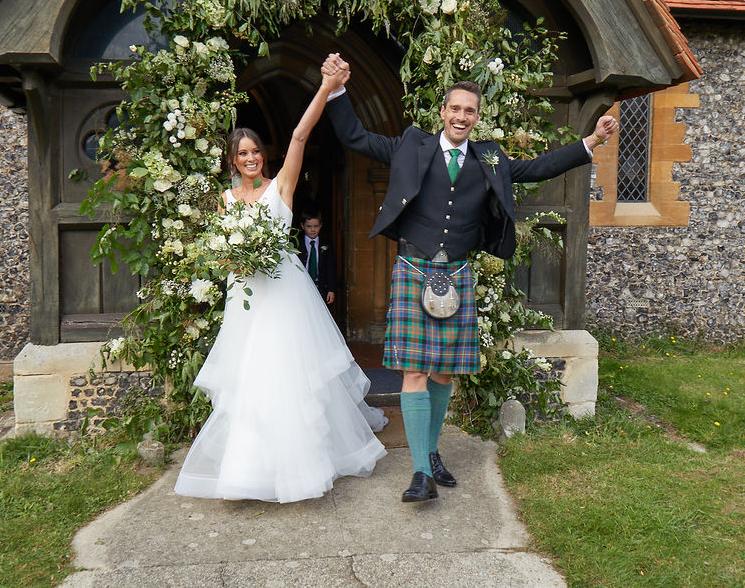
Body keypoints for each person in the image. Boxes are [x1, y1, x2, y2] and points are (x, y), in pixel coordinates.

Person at [321, 53, 618, 503]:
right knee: (415, 370)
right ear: (442, 112)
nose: (461, 116)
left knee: (444, 374)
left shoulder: (491, 160)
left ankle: (431, 450)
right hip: (414, 268)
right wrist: (338, 89)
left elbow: (538, 167)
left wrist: (590, 141)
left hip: (457, 272)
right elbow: (354, 135)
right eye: (454, 108)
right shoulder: (410, 145)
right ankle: (421, 473)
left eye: (470, 111)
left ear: (477, 118)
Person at [173, 65, 387, 504]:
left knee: (288, 373)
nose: (251, 159)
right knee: (251, 375)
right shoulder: (226, 200)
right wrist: (233, 257)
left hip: (285, 293)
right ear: (232, 161)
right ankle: (248, 470)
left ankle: (302, 467)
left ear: (263, 155)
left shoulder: (282, 186)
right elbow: (221, 251)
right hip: (246, 297)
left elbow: (299, 137)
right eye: (242, 154)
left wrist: (327, 88)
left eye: (255, 152)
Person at [297, 209, 337, 305]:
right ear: (302, 226)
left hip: (321, 286)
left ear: (321, 225)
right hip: (302, 286)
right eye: (309, 226)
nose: (313, 230)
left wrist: (331, 289)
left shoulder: (326, 244)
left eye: (316, 226)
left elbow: (330, 267)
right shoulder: (297, 244)